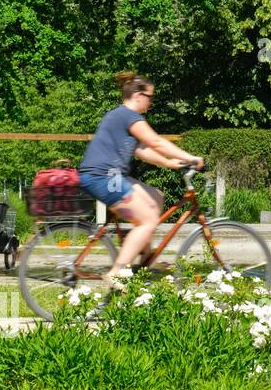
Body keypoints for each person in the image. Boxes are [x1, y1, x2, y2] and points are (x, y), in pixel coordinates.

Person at [77, 72, 203, 283]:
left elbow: (143, 150)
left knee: (156, 197)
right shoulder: (128, 116)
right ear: (138, 95)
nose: (151, 102)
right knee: (147, 220)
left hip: (111, 176)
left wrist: (172, 163)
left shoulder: (123, 117)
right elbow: (156, 142)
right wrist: (191, 157)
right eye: (150, 97)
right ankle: (115, 272)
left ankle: (145, 256)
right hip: (104, 177)